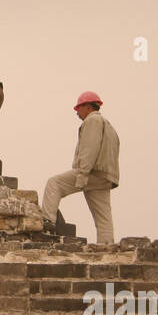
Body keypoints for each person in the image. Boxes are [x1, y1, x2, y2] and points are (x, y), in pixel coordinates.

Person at [42, 91, 120, 244]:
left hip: (92, 171)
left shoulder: (93, 121)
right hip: (106, 176)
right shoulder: (109, 126)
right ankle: (106, 246)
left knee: (54, 184)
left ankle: (47, 225)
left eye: (79, 108)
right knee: (103, 216)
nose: (77, 112)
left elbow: (89, 148)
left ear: (88, 106)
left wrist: (83, 173)